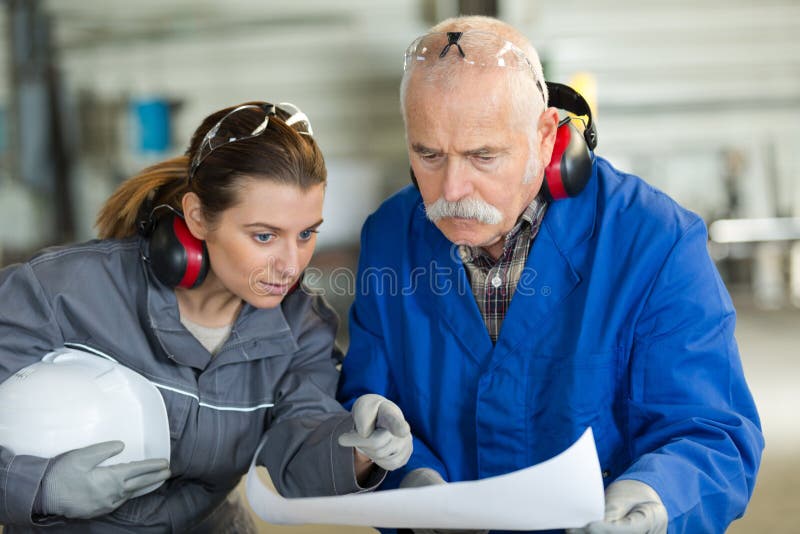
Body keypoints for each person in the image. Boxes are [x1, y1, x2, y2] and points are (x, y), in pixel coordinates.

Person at [337, 15, 763, 534]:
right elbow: (366, 400)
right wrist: (411, 479)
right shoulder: (388, 236)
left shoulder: (655, 242)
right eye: (428, 154)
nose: (450, 189)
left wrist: (655, 495)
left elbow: (712, 432)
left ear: (546, 138)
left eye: (482, 155)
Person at [0, 101, 413, 532]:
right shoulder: (63, 291)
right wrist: (41, 488)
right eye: (265, 235)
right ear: (198, 216)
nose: (292, 265)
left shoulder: (300, 326)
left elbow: (300, 451)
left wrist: (359, 449)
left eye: (307, 233)